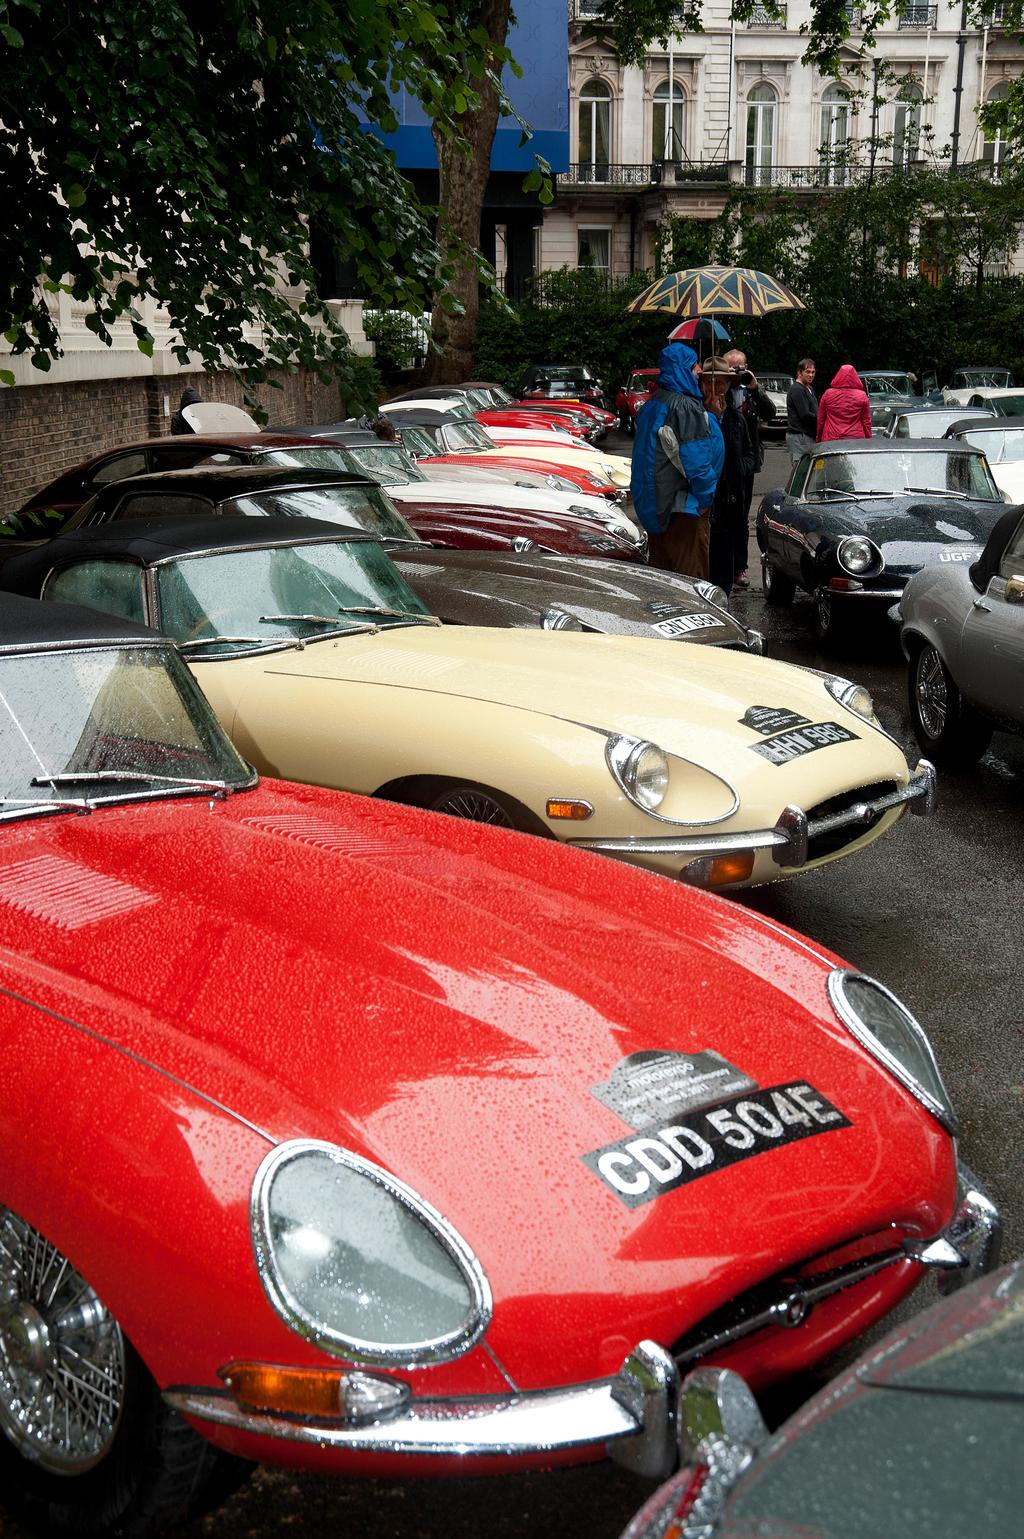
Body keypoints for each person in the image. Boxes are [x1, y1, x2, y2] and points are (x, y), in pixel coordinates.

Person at [630, 342, 723, 580]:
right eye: (694, 366)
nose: (700, 371)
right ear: (682, 370)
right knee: (691, 584)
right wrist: (705, 498)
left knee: (663, 584)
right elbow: (697, 462)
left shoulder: (652, 404)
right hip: (682, 512)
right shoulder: (684, 407)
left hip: (655, 510)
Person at [701, 358, 755, 597]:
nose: (717, 388)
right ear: (703, 385)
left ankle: (723, 599)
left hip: (731, 495)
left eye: (722, 383)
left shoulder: (736, 418)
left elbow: (749, 452)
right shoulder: (697, 414)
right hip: (705, 497)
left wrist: (741, 469)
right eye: (711, 382)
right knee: (704, 557)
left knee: (725, 552)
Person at [722, 347, 775, 588]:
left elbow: (770, 413)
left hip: (746, 462)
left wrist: (754, 387)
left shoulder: (751, 391)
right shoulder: (719, 390)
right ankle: (724, 565)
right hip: (723, 462)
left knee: (742, 516)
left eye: (740, 367)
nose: (736, 373)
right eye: (731, 368)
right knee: (723, 516)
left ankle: (740, 567)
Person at [816, 364, 872, 441]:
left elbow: (821, 419)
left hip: (831, 437)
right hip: (855, 437)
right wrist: (869, 438)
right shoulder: (862, 395)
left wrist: (819, 437)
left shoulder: (827, 394)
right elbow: (866, 421)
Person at [786, 359, 818, 464]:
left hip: (808, 436)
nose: (811, 375)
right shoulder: (797, 389)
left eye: (813, 372)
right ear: (799, 373)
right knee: (801, 469)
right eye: (807, 372)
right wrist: (822, 419)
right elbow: (805, 415)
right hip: (800, 437)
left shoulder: (809, 388)